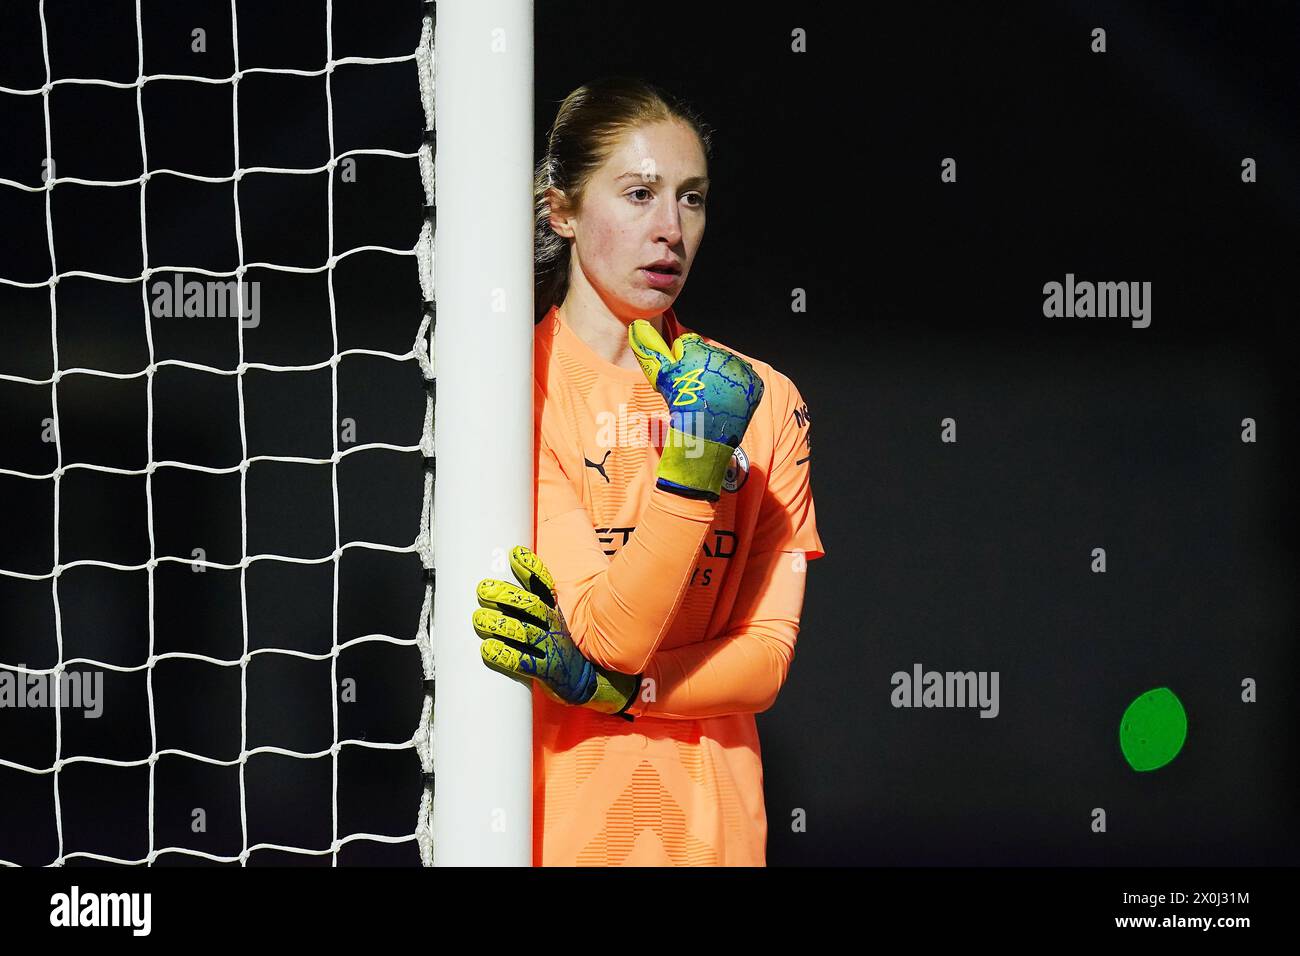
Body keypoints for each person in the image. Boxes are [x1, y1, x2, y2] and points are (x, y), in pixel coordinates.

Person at [471, 76, 824, 866]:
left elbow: (765, 661)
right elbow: (609, 632)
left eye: (691, 199)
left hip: (716, 840)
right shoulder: (503, 395)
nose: (670, 229)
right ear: (560, 210)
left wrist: (621, 694)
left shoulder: (765, 399)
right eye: (639, 194)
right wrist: (695, 461)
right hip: (555, 835)